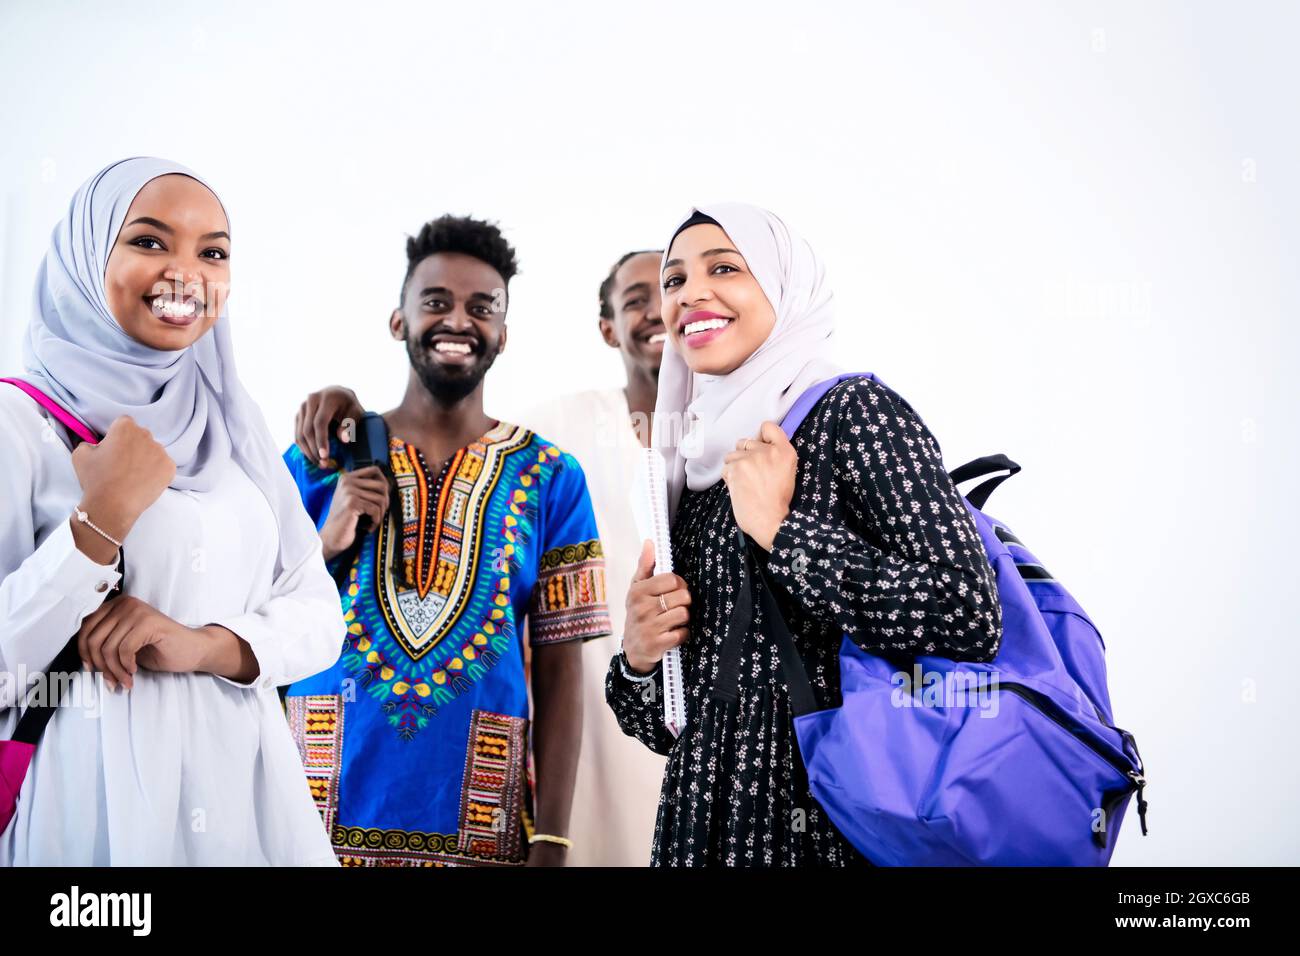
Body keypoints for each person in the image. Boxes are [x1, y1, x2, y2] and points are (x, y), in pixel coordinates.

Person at [605, 203, 1004, 866]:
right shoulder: (690, 465)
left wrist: (785, 535)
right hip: (700, 832)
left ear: (786, 288)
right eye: (674, 280)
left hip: (827, 826)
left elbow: (967, 613)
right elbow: (674, 724)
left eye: (724, 268)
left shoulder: (853, 412)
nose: (690, 293)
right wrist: (640, 659)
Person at [0, 157, 345, 866]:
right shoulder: (19, 424)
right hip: (92, 794)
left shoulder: (231, 420)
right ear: (86, 255)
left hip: (250, 795)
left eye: (211, 252)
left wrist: (206, 644)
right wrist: (98, 527)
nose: (185, 271)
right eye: (150, 241)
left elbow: (318, 615)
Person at [284, 215, 611, 866]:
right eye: (436, 302)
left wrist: (553, 836)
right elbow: (256, 626)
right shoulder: (317, 458)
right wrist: (325, 543)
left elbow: (559, 667)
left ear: (503, 335)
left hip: (482, 833)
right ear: (399, 320)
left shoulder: (552, 476)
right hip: (311, 820)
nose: (458, 320)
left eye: (480, 307)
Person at [507, 250, 669, 866]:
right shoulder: (560, 428)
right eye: (635, 300)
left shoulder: (746, 431)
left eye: (669, 289)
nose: (657, 310)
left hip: (719, 725)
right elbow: (458, 443)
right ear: (608, 328)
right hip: (596, 715)